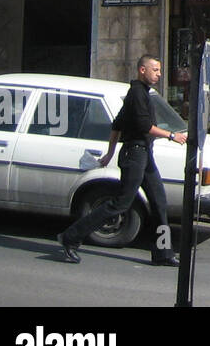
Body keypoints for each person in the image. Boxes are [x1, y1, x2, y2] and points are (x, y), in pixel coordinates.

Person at [56, 55, 185, 266]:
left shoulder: (140, 93)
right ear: (142, 70)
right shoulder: (136, 94)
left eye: (160, 70)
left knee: (159, 202)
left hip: (144, 155)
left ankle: (163, 252)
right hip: (134, 155)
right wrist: (172, 136)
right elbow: (145, 127)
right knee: (120, 204)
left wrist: (109, 153)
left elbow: (117, 125)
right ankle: (70, 237)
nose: (159, 74)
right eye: (155, 69)